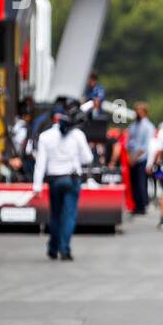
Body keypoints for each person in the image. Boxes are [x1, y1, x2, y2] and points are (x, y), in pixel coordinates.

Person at [33, 102, 93, 262]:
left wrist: (37, 186)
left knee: (56, 215)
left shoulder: (45, 136)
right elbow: (88, 158)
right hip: (72, 178)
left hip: (54, 179)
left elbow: (41, 163)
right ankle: (64, 249)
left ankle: (53, 247)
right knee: (69, 215)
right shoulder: (77, 135)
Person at [125, 102, 154, 215]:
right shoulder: (133, 126)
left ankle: (142, 205)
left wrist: (135, 157)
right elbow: (129, 142)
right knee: (134, 183)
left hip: (141, 158)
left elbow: (146, 145)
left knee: (141, 183)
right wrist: (129, 156)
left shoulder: (148, 126)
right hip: (132, 157)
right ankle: (135, 204)